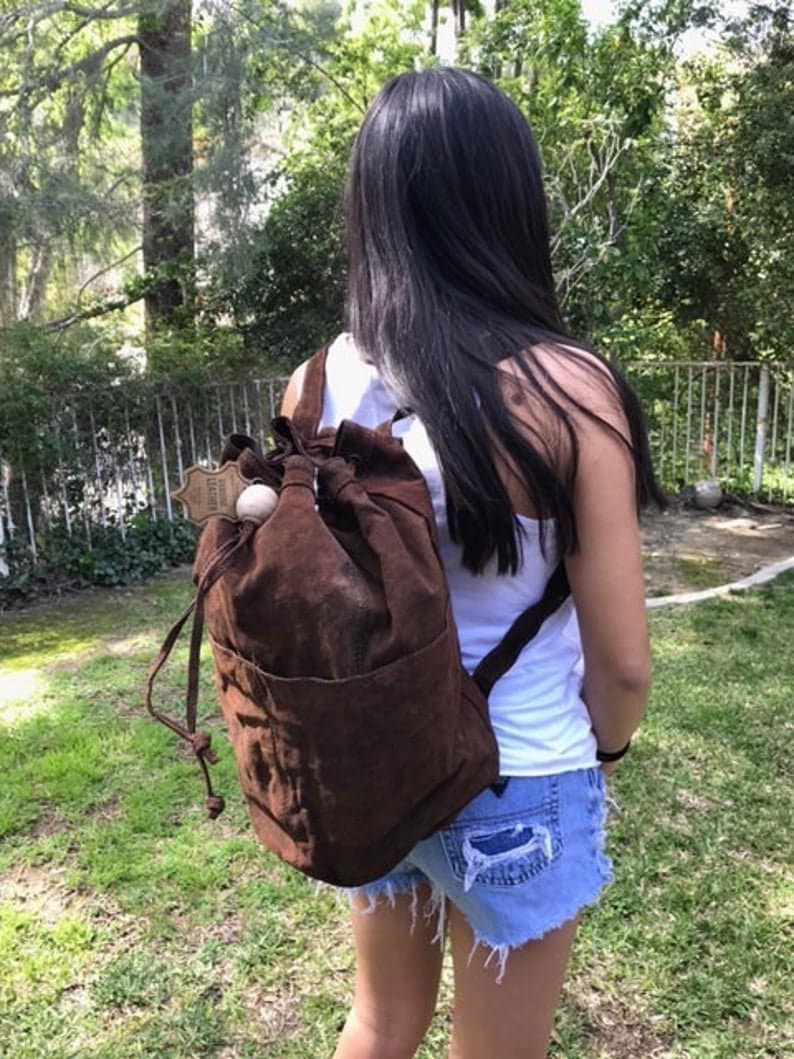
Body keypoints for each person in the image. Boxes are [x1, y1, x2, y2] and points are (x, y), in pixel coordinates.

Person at [280, 67, 663, 1059]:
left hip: (375, 764)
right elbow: (620, 665)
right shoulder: (569, 390)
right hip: (521, 777)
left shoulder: (318, 383)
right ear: (506, 202)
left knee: (376, 1020)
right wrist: (607, 752)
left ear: (373, 206)